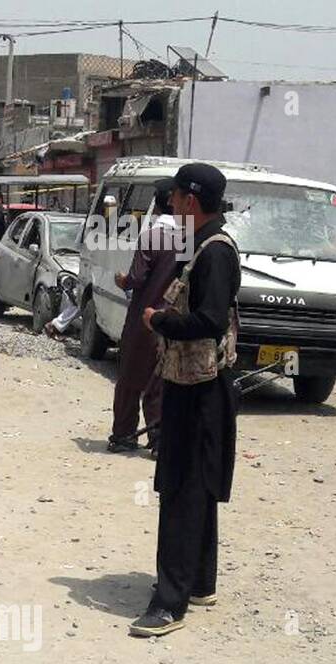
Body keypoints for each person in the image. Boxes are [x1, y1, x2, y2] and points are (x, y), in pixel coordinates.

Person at [131, 163, 241, 638]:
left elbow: (211, 320)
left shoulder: (214, 253)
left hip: (199, 391)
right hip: (194, 386)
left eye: (175, 198)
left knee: (180, 487)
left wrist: (159, 321)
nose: (170, 206)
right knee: (197, 482)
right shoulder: (205, 245)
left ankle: (169, 602)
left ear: (190, 201)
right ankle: (199, 581)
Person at [108, 180, 180, 455]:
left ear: (158, 205)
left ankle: (125, 434)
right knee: (160, 381)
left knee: (129, 379)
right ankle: (159, 440)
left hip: (144, 318)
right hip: (171, 319)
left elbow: (137, 278)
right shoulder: (187, 238)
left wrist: (121, 280)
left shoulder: (152, 235)